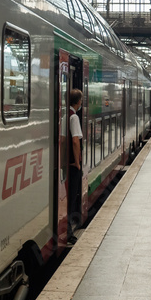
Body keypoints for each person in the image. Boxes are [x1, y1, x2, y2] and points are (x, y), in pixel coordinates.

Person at [68, 88, 83, 243]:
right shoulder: (74, 118)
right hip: (73, 165)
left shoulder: (67, 114)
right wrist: (77, 163)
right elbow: (75, 141)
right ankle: (68, 232)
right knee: (72, 198)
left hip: (69, 164)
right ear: (78, 102)